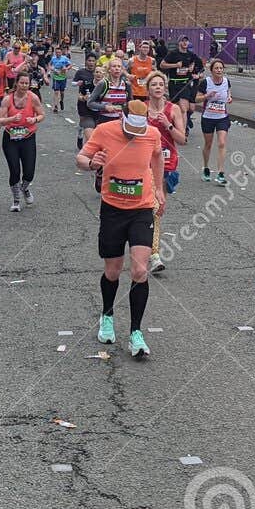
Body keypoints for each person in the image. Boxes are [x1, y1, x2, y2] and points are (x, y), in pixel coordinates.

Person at [76, 99, 166, 359]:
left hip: (141, 209)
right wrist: (93, 163)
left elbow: (158, 157)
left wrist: (159, 187)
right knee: (113, 271)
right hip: (113, 209)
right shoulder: (105, 131)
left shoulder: (152, 133)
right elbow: (80, 158)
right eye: (130, 129)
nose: (134, 134)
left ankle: (136, 333)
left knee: (139, 270)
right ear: (122, 118)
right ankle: (107, 315)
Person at [143, 72, 185, 274]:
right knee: (149, 207)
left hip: (167, 163)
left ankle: (150, 248)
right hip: (143, 164)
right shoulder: (141, 108)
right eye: (154, 85)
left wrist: (167, 124)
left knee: (157, 208)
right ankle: (153, 254)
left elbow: (182, 138)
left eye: (161, 84)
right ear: (148, 89)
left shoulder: (173, 109)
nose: (158, 87)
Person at [0, 69, 45, 211]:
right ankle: (16, 200)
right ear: (16, 83)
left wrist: (34, 119)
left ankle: (24, 189)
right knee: (14, 170)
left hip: (28, 137)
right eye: (22, 83)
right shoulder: (8, 99)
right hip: (10, 138)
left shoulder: (33, 98)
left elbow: (42, 114)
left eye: (27, 83)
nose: (24, 86)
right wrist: (11, 119)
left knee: (29, 172)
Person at [198, 58, 232, 184]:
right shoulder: (205, 83)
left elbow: (228, 92)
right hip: (208, 117)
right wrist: (207, 96)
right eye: (216, 68)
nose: (219, 70)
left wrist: (229, 98)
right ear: (211, 70)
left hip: (222, 117)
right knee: (208, 144)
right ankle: (206, 168)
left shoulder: (226, 82)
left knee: (222, 143)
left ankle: (221, 173)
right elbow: (196, 98)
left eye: (221, 68)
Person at [161, 36, 203, 130]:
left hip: (185, 84)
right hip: (174, 83)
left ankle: (183, 132)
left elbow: (198, 63)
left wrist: (192, 67)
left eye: (186, 41)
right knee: (176, 108)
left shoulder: (190, 54)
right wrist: (175, 65)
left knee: (184, 108)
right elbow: (162, 65)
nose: (185, 43)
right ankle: (177, 123)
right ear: (179, 43)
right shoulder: (173, 53)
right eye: (183, 41)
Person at [73, 51, 100, 149]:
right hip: (84, 103)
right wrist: (78, 84)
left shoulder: (99, 73)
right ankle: (82, 137)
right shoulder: (81, 72)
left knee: (96, 130)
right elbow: (73, 83)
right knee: (88, 130)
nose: (91, 63)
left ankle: (81, 130)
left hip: (97, 106)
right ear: (86, 62)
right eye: (89, 61)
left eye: (93, 61)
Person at [49, 45, 73, 112]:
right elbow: (50, 65)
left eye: (59, 52)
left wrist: (66, 68)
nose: (58, 54)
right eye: (56, 52)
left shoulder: (64, 58)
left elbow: (70, 65)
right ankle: (56, 106)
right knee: (56, 92)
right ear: (55, 53)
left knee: (62, 92)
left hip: (63, 77)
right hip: (56, 78)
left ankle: (61, 101)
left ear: (61, 52)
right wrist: (52, 68)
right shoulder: (53, 59)